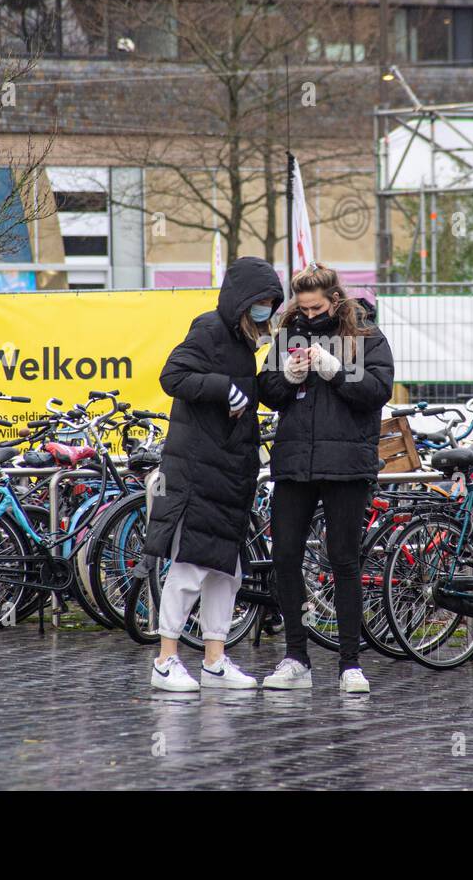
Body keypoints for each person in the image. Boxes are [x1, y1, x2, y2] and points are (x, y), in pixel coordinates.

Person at [142, 256, 284, 692]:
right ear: (241, 300)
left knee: (226, 571)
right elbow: (174, 375)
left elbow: (249, 393)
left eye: (270, 302)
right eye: (259, 301)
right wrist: (223, 388)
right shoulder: (208, 328)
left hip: (231, 472)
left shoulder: (244, 341)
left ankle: (215, 661)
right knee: (189, 569)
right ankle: (166, 661)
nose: (265, 309)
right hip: (199, 470)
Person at [257, 265, 394, 694]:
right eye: (302, 306)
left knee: (344, 560)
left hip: (347, 463)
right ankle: (296, 657)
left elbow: (378, 390)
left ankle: (350, 663)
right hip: (295, 461)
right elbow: (267, 389)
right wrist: (287, 377)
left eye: (316, 306)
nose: (309, 313)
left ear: (334, 300)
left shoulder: (366, 336)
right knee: (285, 558)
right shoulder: (289, 335)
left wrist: (337, 371)